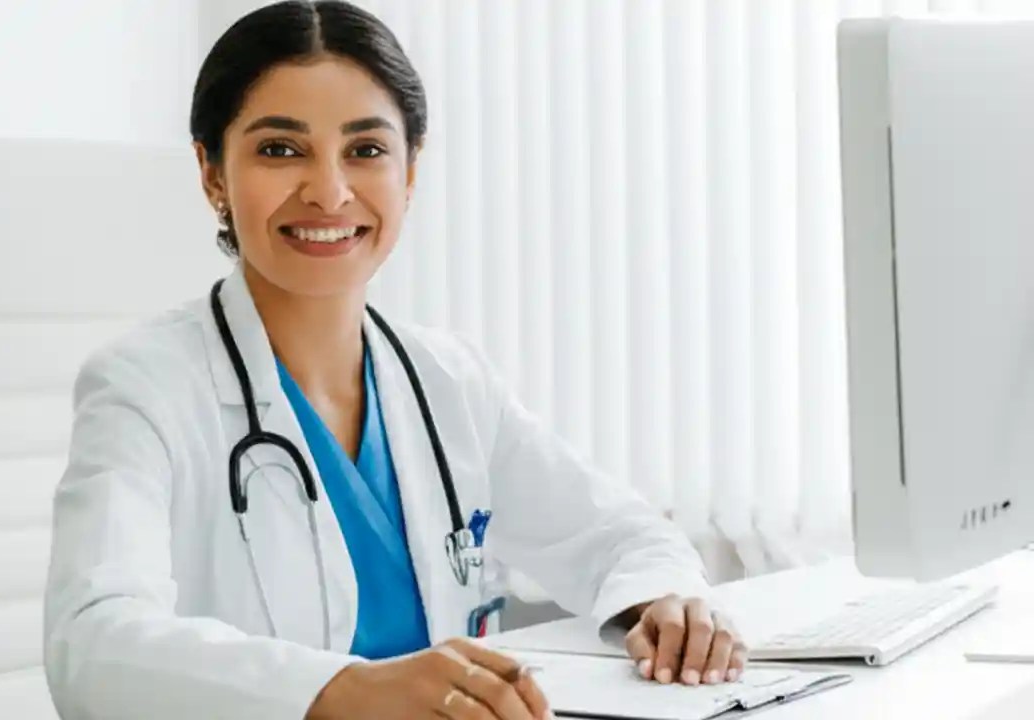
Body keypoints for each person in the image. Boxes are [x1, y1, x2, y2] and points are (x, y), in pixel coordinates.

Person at [43, 2, 746, 719]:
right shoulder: (145, 387)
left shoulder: (447, 381)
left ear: (411, 169)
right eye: (280, 150)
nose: (329, 190)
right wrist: (341, 690)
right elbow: (93, 645)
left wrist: (668, 603)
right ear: (212, 173)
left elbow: (617, 535)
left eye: (366, 150)